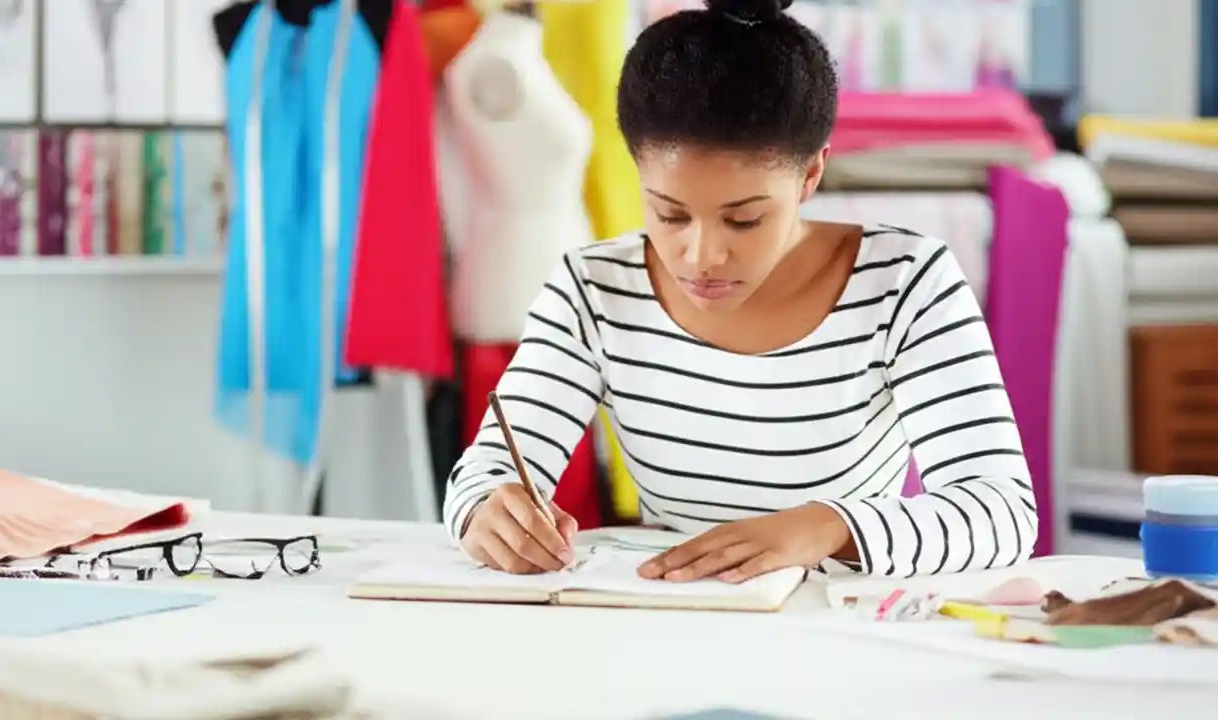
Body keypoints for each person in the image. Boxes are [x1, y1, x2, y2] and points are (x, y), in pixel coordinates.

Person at [444, 0, 1037, 582]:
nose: (702, 256)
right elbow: (484, 475)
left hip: (840, 637)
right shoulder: (594, 289)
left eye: (745, 220)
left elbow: (1004, 511)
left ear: (811, 175)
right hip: (671, 624)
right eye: (670, 215)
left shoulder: (905, 281)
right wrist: (486, 511)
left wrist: (828, 526)